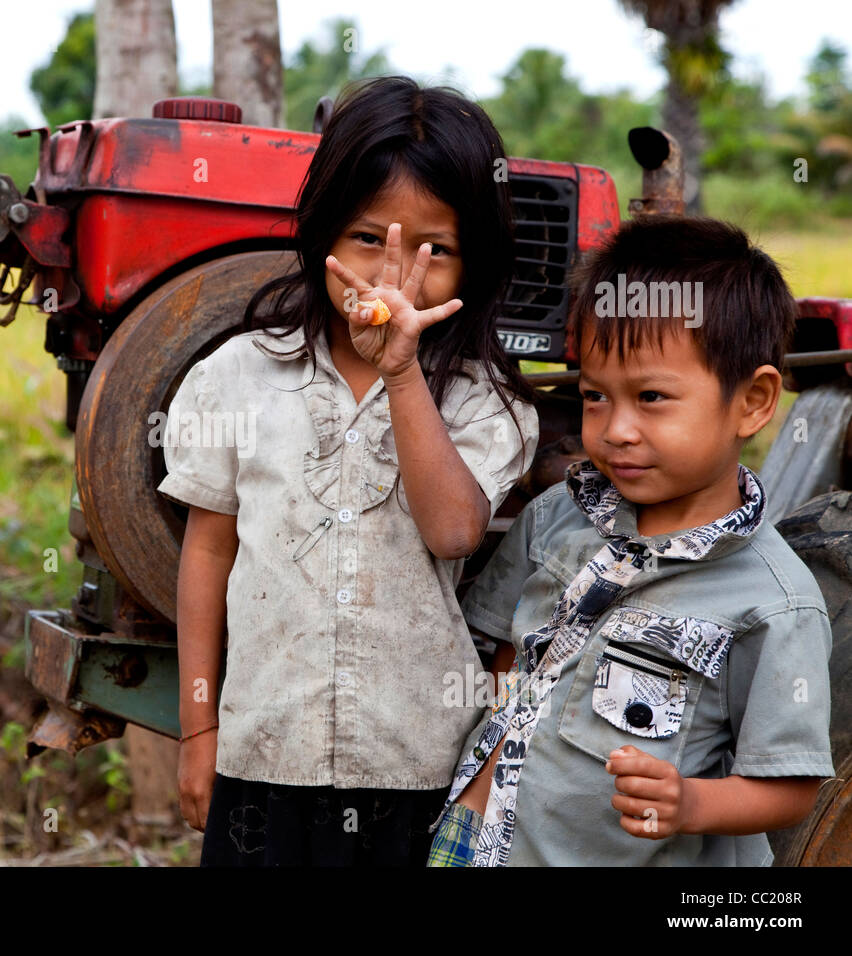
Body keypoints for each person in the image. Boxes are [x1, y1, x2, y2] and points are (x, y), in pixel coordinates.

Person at [158, 76, 539, 866]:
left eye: (434, 251)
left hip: (414, 766)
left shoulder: (482, 401)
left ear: (476, 265)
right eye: (369, 239)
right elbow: (209, 552)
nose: (393, 279)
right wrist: (199, 728)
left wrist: (402, 374)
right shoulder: (238, 376)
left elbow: (454, 529)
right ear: (322, 230)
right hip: (263, 759)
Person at [427, 216, 834, 867]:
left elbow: (791, 786)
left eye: (650, 396)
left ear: (753, 402)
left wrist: (693, 804)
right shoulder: (556, 517)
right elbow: (511, 659)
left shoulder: (775, 605)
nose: (616, 429)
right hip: (477, 835)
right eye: (594, 395)